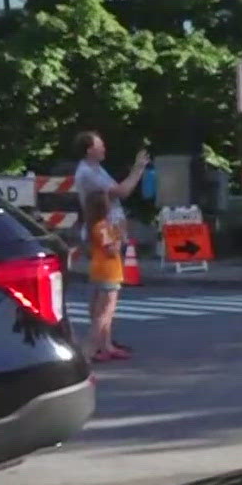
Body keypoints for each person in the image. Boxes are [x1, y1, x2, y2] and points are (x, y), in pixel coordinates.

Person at [72, 130, 147, 352]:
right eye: (100, 145)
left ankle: (104, 344)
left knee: (101, 297)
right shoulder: (87, 173)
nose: (104, 148)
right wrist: (138, 168)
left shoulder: (96, 168)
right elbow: (121, 192)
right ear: (89, 149)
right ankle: (94, 346)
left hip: (104, 243)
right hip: (107, 249)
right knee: (105, 302)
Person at [80, 189, 128, 362]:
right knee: (104, 314)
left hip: (97, 270)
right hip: (109, 272)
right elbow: (111, 250)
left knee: (98, 312)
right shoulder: (103, 227)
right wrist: (120, 236)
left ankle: (104, 347)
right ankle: (88, 350)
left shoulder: (92, 225)